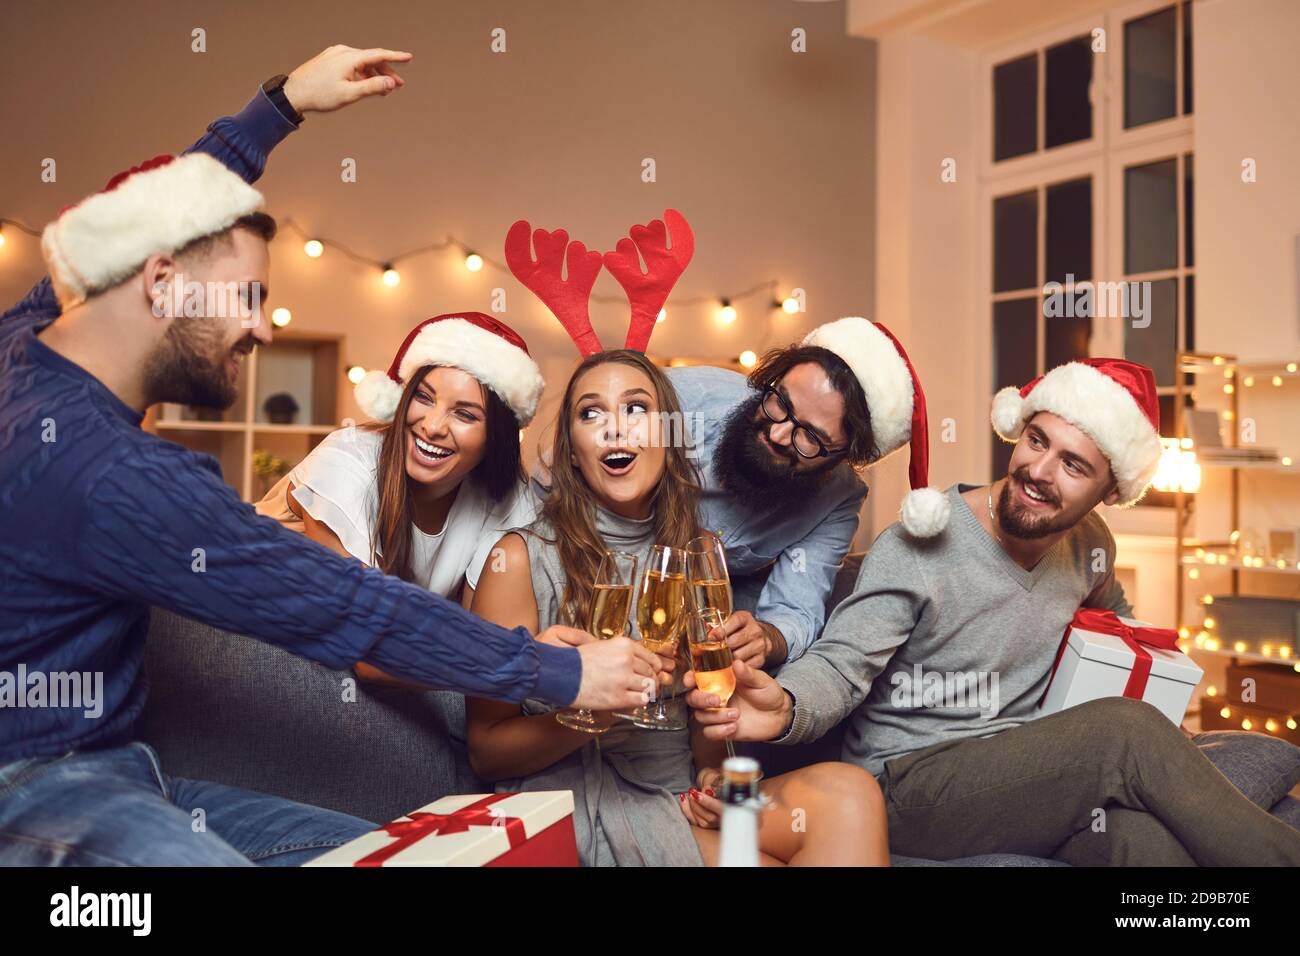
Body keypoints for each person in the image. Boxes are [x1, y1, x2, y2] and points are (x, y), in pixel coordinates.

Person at [0, 45, 657, 866]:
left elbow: (140, 217)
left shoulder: (22, 339)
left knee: (393, 858)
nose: (260, 327)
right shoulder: (117, 476)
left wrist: (278, 106)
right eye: (249, 298)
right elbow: (346, 607)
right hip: (35, 787)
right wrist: (554, 677)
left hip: (132, 773)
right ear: (164, 282)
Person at [687, 356, 1300, 865]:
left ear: (1109, 492)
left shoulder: (1091, 548)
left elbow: (1121, 628)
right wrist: (789, 705)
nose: (1037, 471)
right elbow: (842, 664)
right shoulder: (921, 544)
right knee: (1128, 731)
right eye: (1037, 442)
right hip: (907, 786)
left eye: (1073, 464)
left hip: (1021, 781)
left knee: (1144, 841)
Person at [467, 348, 889, 866]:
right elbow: (486, 749)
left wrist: (715, 777)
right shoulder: (518, 560)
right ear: (572, 451)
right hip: (582, 799)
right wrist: (593, 713)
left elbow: (704, 734)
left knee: (849, 794)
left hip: (678, 794)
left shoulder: (696, 559)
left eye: (637, 409)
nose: (615, 428)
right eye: (591, 412)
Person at [508, 213, 940, 671]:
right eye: (780, 404)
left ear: (843, 457)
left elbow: (796, 608)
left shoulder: (836, 499)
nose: (778, 433)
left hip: (680, 647)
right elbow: (556, 475)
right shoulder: (684, 399)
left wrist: (768, 637)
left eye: (810, 437)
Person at [256, 311, 542, 606]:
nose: (431, 426)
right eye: (423, 397)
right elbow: (363, 618)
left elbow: (487, 629)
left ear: (497, 434)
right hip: (249, 627)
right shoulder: (347, 461)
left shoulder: (508, 497)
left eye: (465, 414)